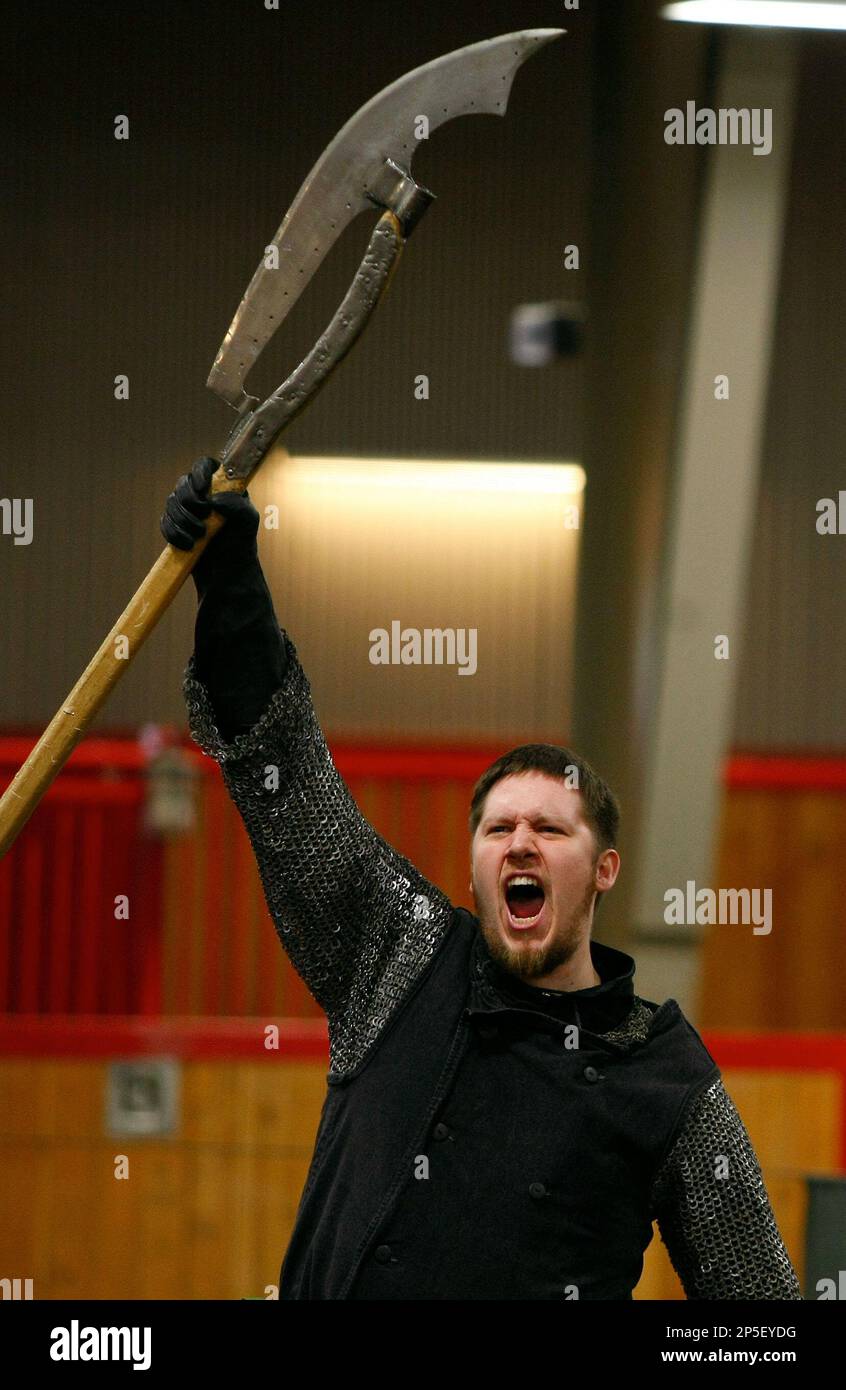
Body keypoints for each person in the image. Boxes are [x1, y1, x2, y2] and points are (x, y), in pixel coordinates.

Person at [161, 456, 803, 1301]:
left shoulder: (667, 1074)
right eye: (499, 828)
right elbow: (285, 777)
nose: (520, 842)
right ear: (474, 866)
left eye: (550, 827)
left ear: (604, 869)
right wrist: (232, 578)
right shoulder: (398, 956)